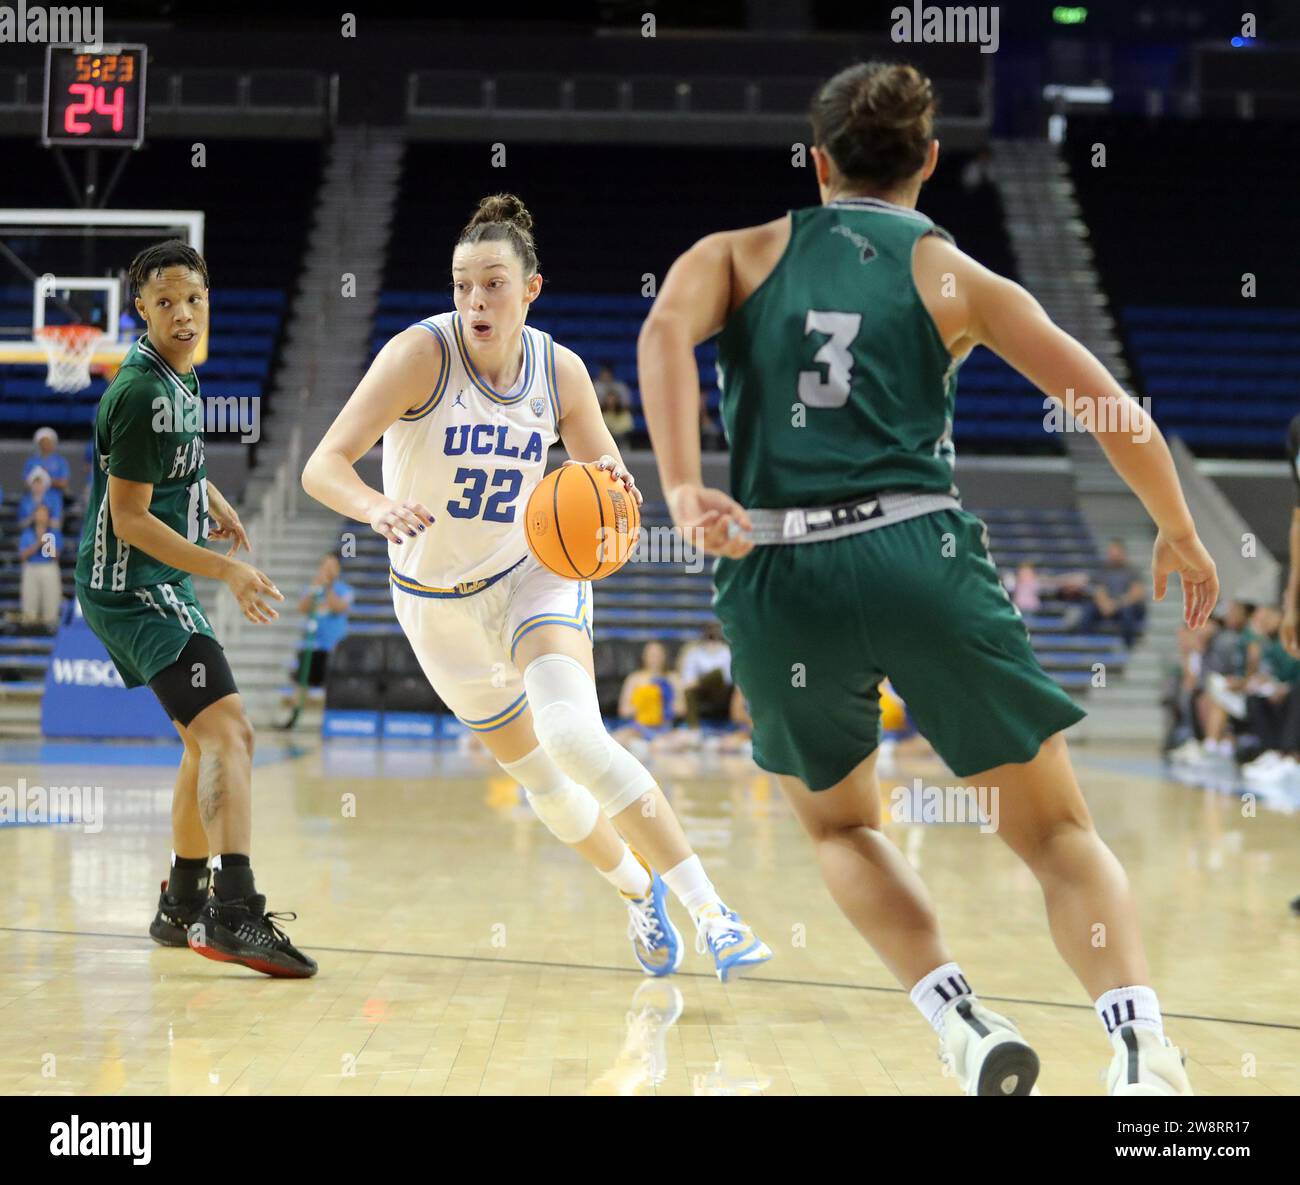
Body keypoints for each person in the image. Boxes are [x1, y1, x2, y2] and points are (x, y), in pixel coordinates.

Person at [638, 61, 1218, 1095]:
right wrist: (1175, 527)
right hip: (918, 555)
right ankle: (1141, 1052)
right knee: (1054, 834)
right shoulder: (955, 276)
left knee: (842, 824)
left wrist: (682, 489)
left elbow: (661, 334)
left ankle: (959, 1021)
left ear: (815, 161)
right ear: (929, 162)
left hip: (775, 571)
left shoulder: (736, 251)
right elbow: (1109, 407)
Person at [301, 192, 771, 982]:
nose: (475, 300)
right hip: (435, 605)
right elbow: (324, 464)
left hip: (533, 575)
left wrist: (614, 508)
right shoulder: (420, 356)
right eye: (462, 285)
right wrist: (374, 504)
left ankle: (713, 912)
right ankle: (636, 890)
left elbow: (608, 482)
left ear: (531, 290)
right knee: (543, 785)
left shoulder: (561, 371)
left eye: (492, 283)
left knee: (575, 736)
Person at [74, 240, 312, 977]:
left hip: (155, 583)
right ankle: (231, 909)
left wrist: (211, 497)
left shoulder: (182, 378)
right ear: (140, 309)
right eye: (166, 301)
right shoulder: (141, 393)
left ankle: (181, 901)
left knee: (203, 740)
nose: (183, 313)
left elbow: (174, 466)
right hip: (132, 587)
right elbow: (132, 519)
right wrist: (228, 569)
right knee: (232, 731)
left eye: (194, 299)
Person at [1072, 539, 1147, 647]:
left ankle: (1128, 645)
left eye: (1116, 552)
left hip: (1124, 605)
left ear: (1122, 553)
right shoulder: (1103, 570)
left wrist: (1116, 604)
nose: (1113, 555)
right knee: (1089, 608)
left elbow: (1136, 594)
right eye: (1111, 552)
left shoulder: (1132, 571)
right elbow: (1099, 590)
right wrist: (1105, 604)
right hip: (1107, 606)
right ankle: (1084, 643)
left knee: (1128, 611)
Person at [296, 552, 354, 687]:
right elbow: (303, 608)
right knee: (305, 685)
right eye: (325, 566)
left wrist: (328, 587)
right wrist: (315, 588)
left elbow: (339, 607)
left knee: (332, 687)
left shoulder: (344, 590)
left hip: (335, 647)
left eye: (331, 566)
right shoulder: (313, 588)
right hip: (313, 645)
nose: (328, 570)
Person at [613, 640, 682, 748]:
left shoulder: (673, 678)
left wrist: (664, 704)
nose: (654, 658)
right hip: (639, 728)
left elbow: (682, 709)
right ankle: (641, 745)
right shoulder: (634, 678)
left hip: (666, 730)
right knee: (615, 739)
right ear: (643, 657)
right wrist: (646, 702)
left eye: (657, 655)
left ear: (664, 656)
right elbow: (624, 711)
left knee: (688, 738)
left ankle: (653, 746)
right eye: (651, 655)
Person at [677, 619, 733, 725]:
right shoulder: (694, 653)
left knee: (717, 674)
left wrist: (705, 680)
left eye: (713, 632)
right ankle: (694, 729)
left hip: (722, 692)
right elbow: (687, 679)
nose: (711, 635)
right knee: (689, 692)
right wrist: (700, 683)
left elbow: (728, 678)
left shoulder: (726, 652)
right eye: (708, 632)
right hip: (701, 692)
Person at [19, 502, 62, 629]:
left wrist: (46, 544)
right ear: (34, 515)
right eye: (39, 513)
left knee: (51, 601)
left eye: (44, 513)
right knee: (29, 600)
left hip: (49, 567)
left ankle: (51, 626)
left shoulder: (54, 533)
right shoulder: (27, 533)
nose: (41, 516)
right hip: (31, 567)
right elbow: (22, 555)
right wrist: (38, 543)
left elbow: (57, 555)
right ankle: (29, 629)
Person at [595, 365, 634, 450]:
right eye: (609, 399)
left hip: (619, 437)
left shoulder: (624, 414)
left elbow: (627, 427)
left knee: (619, 438)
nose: (611, 401)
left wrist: (615, 430)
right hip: (603, 438)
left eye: (613, 399)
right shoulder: (600, 414)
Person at [26, 427, 71, 497]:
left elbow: (64, 483)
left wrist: (46, 480)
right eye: (43, 442)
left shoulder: (60, 461)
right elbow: (26, 483)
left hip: (55, 498)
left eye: (48, 442)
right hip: (33, 498)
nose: (45, 445)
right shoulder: (31, 461)